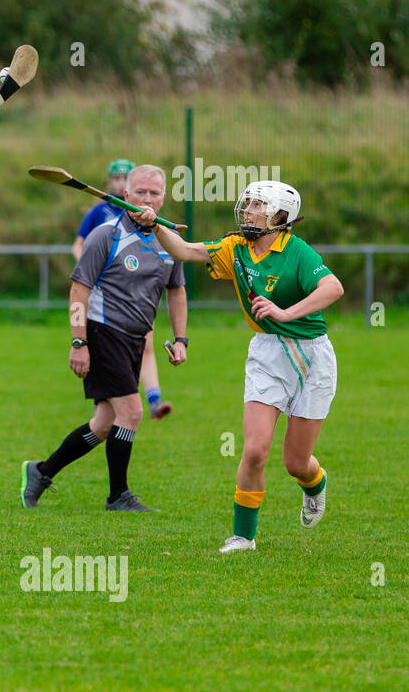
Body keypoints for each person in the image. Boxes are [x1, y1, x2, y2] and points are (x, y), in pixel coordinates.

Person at [133, 180, 342, 554]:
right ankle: (243, 536)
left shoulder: (297, 252)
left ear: (280, 217)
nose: (248, 213)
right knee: (255, 450)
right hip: (267, 354)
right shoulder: (236, 248)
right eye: (247, 206)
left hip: (313, 358)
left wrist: (285, 312)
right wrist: (154, 225)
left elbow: (333, 288)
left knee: (295, 462)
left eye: (257, 207)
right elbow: (183, 250)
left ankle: (316, 483)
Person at [20, 164, 187, 513]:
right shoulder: (105, 235)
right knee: (132, 412)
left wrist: (181, 338)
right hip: (101, 331)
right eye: (139, 191)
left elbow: (176, 292)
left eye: (154, 193)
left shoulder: (169, 243)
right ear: (125, 195)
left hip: (134, 339)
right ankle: (118, 496)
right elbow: (78, 291)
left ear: (163, 198)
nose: (147, 198)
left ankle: (41, 471)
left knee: (104, 425)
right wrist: (78, 342)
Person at [74, 159, 173, 420]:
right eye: (114, 178)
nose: (118, 183)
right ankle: (114, 400)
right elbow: (79, 246)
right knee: (121, 415)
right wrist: (90, 270)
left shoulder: (153, 221)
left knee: (146, 342)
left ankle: (153, 399)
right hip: (106, 300)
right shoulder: (99, 212)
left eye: (122, 177)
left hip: (138, 297)